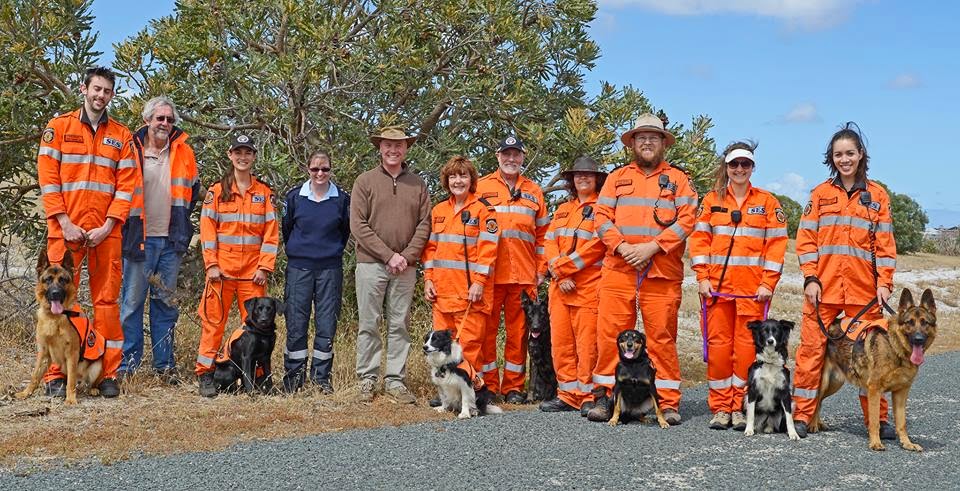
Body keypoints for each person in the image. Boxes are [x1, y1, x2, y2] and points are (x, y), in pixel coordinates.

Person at [588, 113, 698, 423]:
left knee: (661, 337)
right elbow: (601, 218)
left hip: (661, 271)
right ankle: (604, 399)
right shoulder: (616, 177)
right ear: (632, 143)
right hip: (619, 268)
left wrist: (652, 247)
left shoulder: (679, 180)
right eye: (641, 137)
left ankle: (667, 403)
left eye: (653, 137)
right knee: (609, 334)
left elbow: (687, 219)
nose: (647, 141)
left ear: (664, 142)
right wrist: (624, 248)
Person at [36, 66, 138, 398]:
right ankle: (55, 374)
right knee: (59, 302)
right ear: (84, 89)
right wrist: (64, 221)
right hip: (64, 231)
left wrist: (108, 225)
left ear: (111, 95)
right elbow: (48, 179)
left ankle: (105, 374)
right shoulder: (59, 127)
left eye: (107, 91)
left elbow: (127, 186)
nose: (101, 96)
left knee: (106, 303)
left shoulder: (121, 136)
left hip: (105, 233)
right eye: (96, 89)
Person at [792, 122, 896, 439]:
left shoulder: (877, 195)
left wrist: (884, 284)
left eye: (850, 153)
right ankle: (802, 416)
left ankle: (877, 421)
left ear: (860, 154)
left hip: (864, 294)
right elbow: (806, 240)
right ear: (831, 158)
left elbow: (885, 245)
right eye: (838, 154)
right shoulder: (820, 195)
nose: (844, 159)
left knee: (873, 358)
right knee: (810, 353)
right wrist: (810, 278)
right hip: (822, 290)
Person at [688, 141, 787, 430]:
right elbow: (699, 241)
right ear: (726, 167)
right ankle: (720, 407)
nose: (740, 169)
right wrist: (703, 277)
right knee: (718, 351)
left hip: (751, 292)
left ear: (752, 167)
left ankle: (743, 406)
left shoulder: (768, 202)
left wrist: (768, 283)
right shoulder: (710, 201)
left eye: (745, 164)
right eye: (734, 164)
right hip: (717, 292)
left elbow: (776, 245)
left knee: (746, 352)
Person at [119, 96, 201, 385]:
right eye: (159, 118)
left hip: (170, 242)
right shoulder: (130, 148)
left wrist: (179, 228)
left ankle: (164, 367)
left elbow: (192, 192)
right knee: (131, 304)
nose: (165, 124)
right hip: (138, 239)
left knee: (165, 304)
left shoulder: (184, 152)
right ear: (147, 120)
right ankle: (127, 366)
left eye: (169, 119)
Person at [351, 126, 431, 404]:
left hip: (405, 267)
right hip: (371, 265)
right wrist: (388, 255)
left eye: (398, 146)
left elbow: (425, 224)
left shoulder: (418, 184)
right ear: (380, 148)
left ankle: (396, 380)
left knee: (400, 324)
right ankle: (367, 379)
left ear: (406, 149)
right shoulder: (365, 181)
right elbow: (358, 225)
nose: (393, 150)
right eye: (388, 145)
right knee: (369, 322)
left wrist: (406, 257)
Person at [195, 134, 279, 397]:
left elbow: (271, 233)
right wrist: (211, 265)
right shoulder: (216, 192)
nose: (243, 157)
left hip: (253, 275)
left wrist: (264, 267)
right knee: (213, 324)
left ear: (254, 157)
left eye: (248, 153)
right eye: (238, 152)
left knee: (258, 326)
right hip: (222, 272)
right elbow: (207, 231)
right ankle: (206, 374)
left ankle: (260, 378)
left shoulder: (264, 194)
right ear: (230, 155)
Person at [476, 135, 549, 404]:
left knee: (518, 335)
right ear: (497, 156)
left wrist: (541, 269)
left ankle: (514, 387)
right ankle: (489, 385)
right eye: (506, 154)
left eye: (516, 154)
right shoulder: (481, 187)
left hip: (524, 277)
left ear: (523, 157)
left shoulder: (534, 191)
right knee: (486, 333)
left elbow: (544, 235)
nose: (511, 159)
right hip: (490, 276)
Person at [421, 156, 499, 389]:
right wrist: (428, 280)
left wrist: (479, 282)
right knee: (441, 349)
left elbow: (489, 250)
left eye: (463, 176)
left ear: (471, 180)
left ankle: (471, 394)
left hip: (470, 295)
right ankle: (447, 394)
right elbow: (430, 249)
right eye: (453, 176)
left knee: (469, 348)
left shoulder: (484, 210)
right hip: (442, 295)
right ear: (446, 181)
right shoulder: (438, 211)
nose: (458, 181)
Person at [540, 156, 607, 415]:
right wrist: (559, 273)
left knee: (587, 345)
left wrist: (562, 268)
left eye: (588, 175)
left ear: (597, 179)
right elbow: (549, 241)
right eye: (578, 175)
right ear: (571, 180)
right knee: (561, 344)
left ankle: (588, 395)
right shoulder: (563, 209)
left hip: (588, 287)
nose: (583, 179)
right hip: (560, 287)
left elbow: (598, 246)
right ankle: (567, 394)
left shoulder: (603, 209)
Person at [281, 150, 350, 394]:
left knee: (326, 324)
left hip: (329, 269)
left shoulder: (342, 199)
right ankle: (293, 378)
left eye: (325, 169)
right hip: (299, 268)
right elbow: (286, 230)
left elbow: (345, 232)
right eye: (315, 169)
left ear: (331, 170)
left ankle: (321, 378)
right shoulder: (294, 198)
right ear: (307, 169)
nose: (320, 173)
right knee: (296, 323)